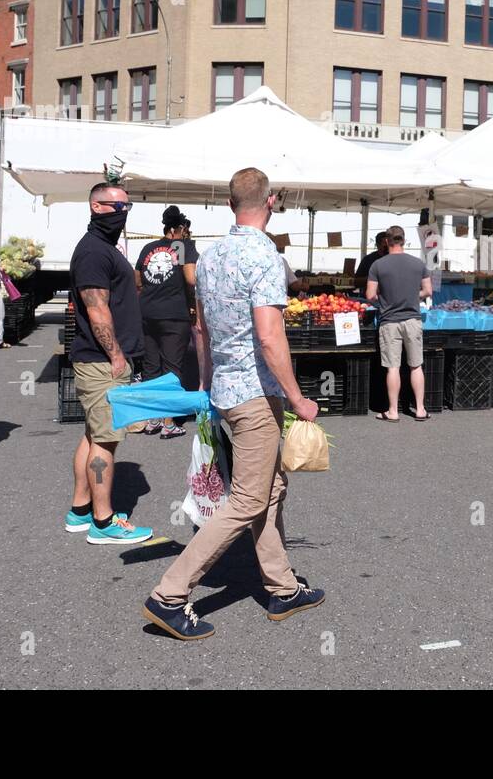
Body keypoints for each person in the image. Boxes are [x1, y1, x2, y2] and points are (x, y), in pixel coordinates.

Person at [142, 168, 323, 640]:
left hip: (224, 388)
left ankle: (283, 587)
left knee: (270, 487)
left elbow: (200, 329)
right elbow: (269, 335)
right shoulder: (264, 254)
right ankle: (171, 594)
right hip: (256, 395)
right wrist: (299, 398)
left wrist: (207, 385)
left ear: (229, 205)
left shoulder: (210, 255)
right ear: (272, 201)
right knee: (246, 500)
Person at [65, 183, 153, 545]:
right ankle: (103, 522)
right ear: (95, 206)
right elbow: (96, 308)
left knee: (92, 434)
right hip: (102, 361)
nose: (122, 211)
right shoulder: (93, 252)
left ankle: (81, 510)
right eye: (115, 205)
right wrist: (116, 354)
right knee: (106, 441)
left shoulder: (103, 248)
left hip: (100, 360)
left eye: (126, 205)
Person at [135, 205, 197, 439]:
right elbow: (190, 279)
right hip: (173, 315)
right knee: (172, 367)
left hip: (147, 312)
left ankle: (152, 419)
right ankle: (169, 422)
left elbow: (138, 279)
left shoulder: (149, 247)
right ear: (178, 229)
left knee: (151, 367)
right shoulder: (181, 247)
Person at [367, 225, 431, 422]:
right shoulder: (418, 264)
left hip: (389, 322)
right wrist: (413, 295)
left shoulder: (378, 265)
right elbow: (428, 291)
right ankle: (420, 409)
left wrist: (384, 300)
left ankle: (393, 411)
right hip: (413, 319)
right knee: (416, 366)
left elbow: (370, 295)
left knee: (392, 367)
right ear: (403, 240)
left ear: (386, 241)